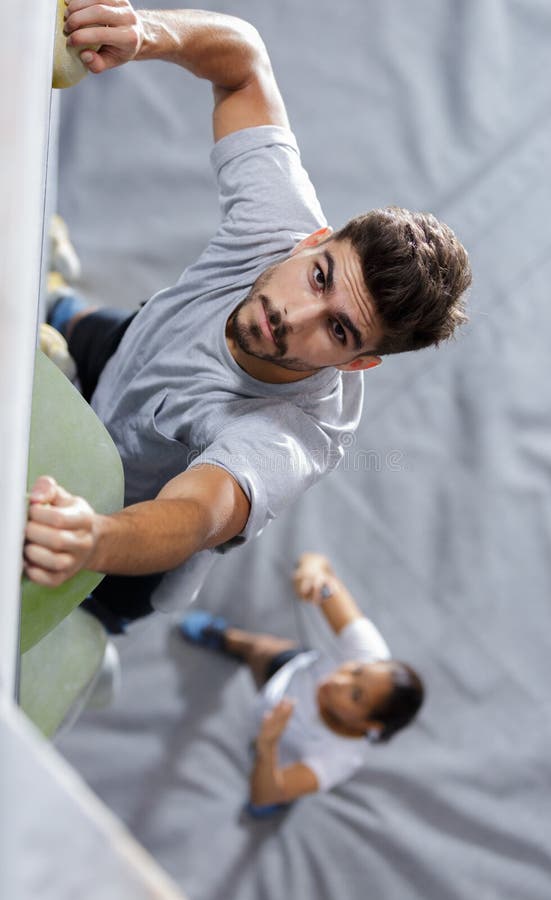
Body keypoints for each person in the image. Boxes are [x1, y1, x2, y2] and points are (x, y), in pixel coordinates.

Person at [24, 2, 471, 626]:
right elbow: (243, 65)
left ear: (358, 361)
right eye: (320, 277)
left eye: (338, 328)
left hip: (128, 514)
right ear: (313, 241)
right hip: (136, 349)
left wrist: (92, 538)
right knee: (72, 321)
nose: (293, 315)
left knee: (66, 601)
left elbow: (195, 516)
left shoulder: (290, 439)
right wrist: (146, 33)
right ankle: (59, 301)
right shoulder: (279, 220)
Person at [179, 552, 424, 812]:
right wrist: (312, 573)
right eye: (356, 671)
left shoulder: (339, 758)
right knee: (258, 648)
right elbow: (320, 566)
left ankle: (284, 792)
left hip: (277, 754)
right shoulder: (368, 650)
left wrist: (268, 746)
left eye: (356, 695)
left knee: (268, 794)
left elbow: (262, 795)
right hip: (290, 671)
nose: (339, 679)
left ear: (368, 724)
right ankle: (223, 637)